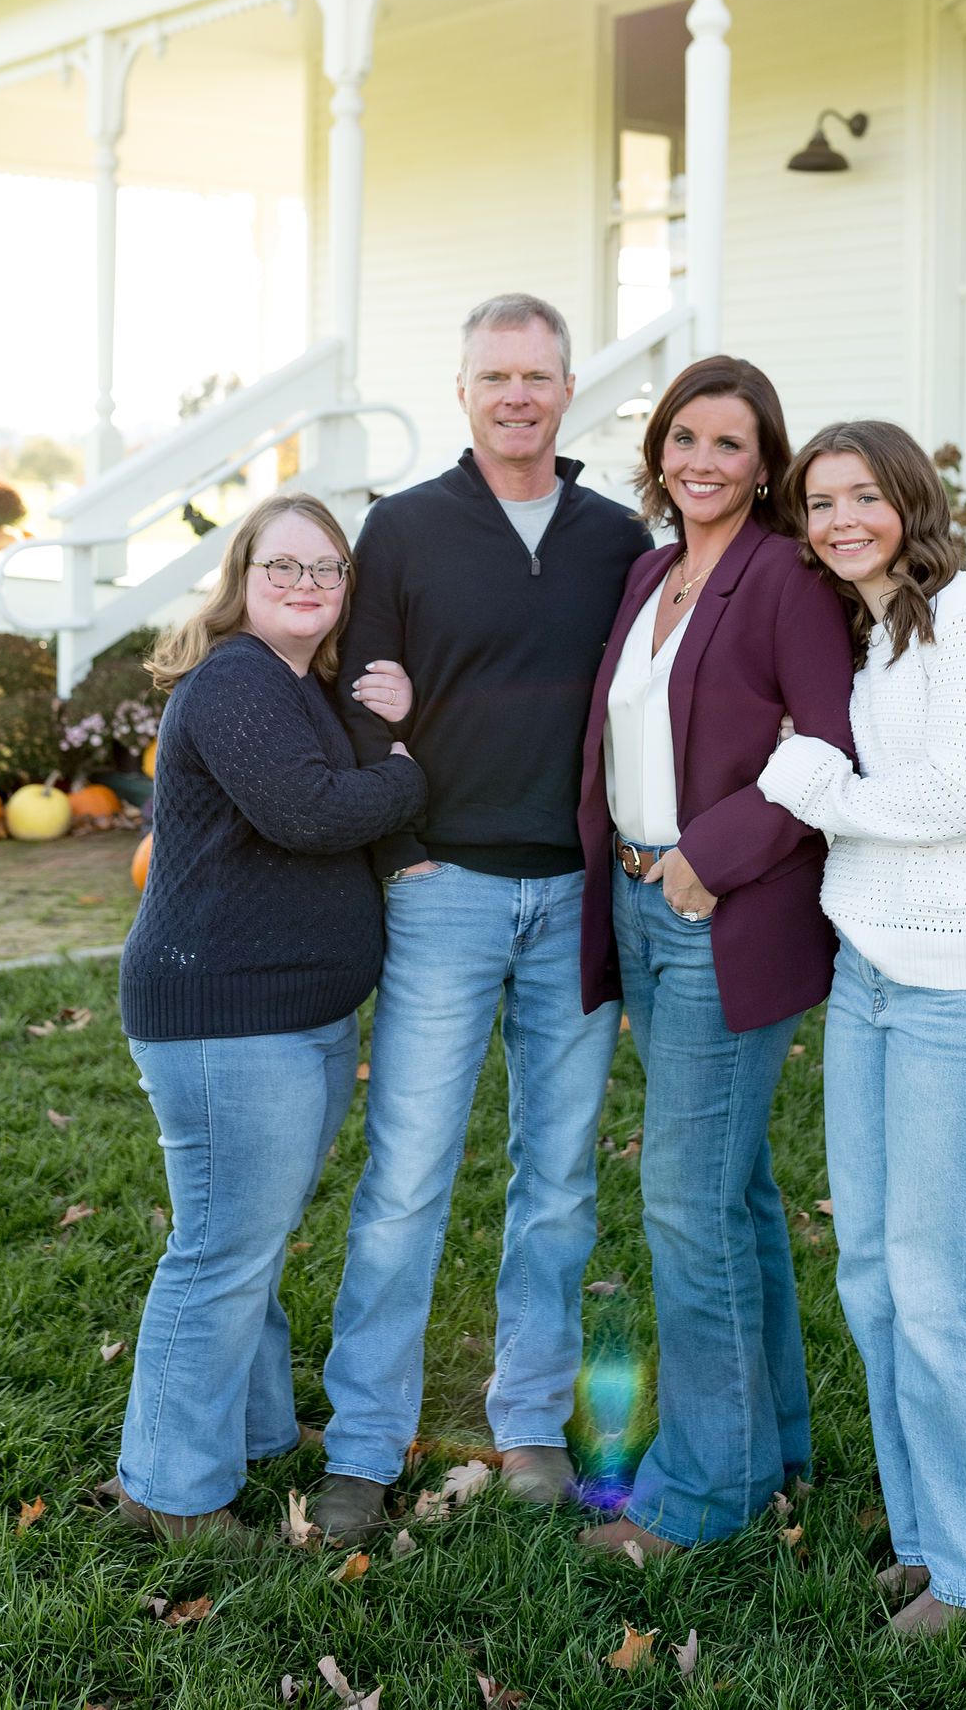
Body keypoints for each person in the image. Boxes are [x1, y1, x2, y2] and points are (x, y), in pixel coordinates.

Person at [313, 292, 652, 1541]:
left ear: (570, 391)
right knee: (406, 1176)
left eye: (539, 375)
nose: (517, 393)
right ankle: (362, 1442)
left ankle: (528, 1428)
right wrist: (399, 851)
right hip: (443, 890)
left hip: (573, 895)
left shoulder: (621, 539)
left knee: (557, 1180)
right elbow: (358, 694)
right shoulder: (399, 530)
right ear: (461, 391)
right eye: (494, 374)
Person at [756, 421, 966, 1632]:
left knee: (946, 1283)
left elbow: (961, 796)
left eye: (861, 497)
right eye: (818, 502)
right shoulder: (878, 631)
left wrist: (815, 786)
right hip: (879, 981)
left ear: (908, 501)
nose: (838, 520)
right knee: (878, 1275)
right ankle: (939, 1537)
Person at [570, 356, 856, 1556]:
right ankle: (770, 1444)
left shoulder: (784, 575)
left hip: (718, 911)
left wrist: (711, 855)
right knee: (729, 1194)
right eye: (684, 437)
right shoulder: (651, 573)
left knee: (685, 1203)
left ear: (764, 462)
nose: (700, 461)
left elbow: (830, 749)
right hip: (638, 905)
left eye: (728, 445)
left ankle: (704, 1493)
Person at [115, 492, 426, 1541]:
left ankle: (248, 1431)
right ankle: (168, 1489)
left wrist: (379, 720)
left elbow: (329, 770)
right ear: (242, 580)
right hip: (223, 1019)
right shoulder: (238, 680)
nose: (304, 585)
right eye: (282, 566)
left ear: (345, 591)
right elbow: (310, 813)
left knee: (248, 1236)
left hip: (288, 1014)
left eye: (325, 570)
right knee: (219, 1249)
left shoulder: (299, 687)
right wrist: (407, 774)